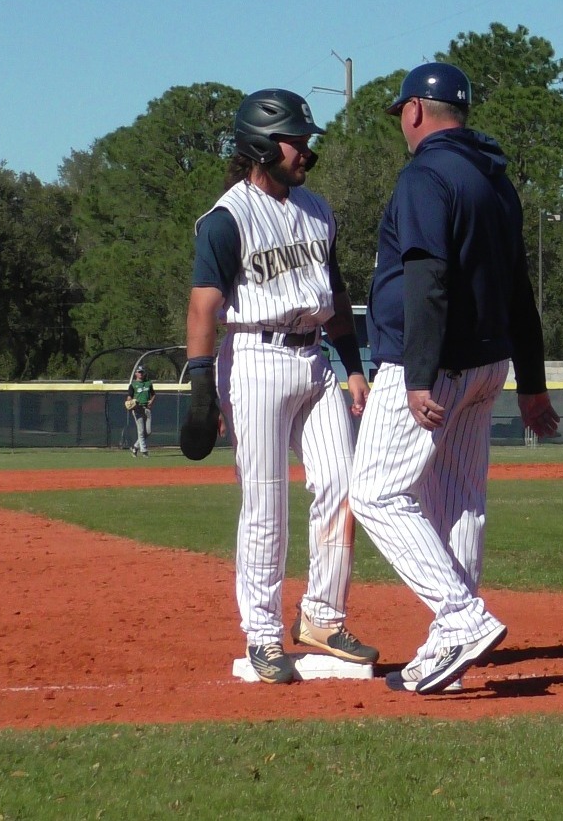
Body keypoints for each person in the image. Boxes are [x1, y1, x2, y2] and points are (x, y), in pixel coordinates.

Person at [347, 62, 560, 696]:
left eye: (400, 115)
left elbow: (426, 279)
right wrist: (533, 384)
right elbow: (520, 292)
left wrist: (417, 373)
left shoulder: (425, 174)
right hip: (489, 365)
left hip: (435, 368)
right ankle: (453, 642)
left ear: (415, 111)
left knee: (377, 493)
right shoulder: (496, 180)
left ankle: (460, 617)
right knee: (459, 502)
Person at [184, 88, 378, 685]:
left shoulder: (318, 210)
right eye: (297, 139)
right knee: (266, 505)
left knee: (345, 486)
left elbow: (337, 298)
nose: (305, 150)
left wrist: (352, 366)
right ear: (261, 145)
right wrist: (199, 388)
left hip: (314, 357)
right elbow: (203, 306)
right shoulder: (226, 219)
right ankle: (263, 634)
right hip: (254, 360)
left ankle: (322, 615)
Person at [124, 367, 155, 456]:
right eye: (139, 372)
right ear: (136, 374)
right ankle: (144, 451)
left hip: (147, 409)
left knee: (148, 432)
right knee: (141, 431)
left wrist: (151, 401)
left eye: (142, 372)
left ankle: (135, 447)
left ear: (144, 373)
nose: (140, 373)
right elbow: (129, 397)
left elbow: (153, 394)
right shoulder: (133, 385)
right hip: (137, 409)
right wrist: (130, 402)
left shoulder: (148, 383)